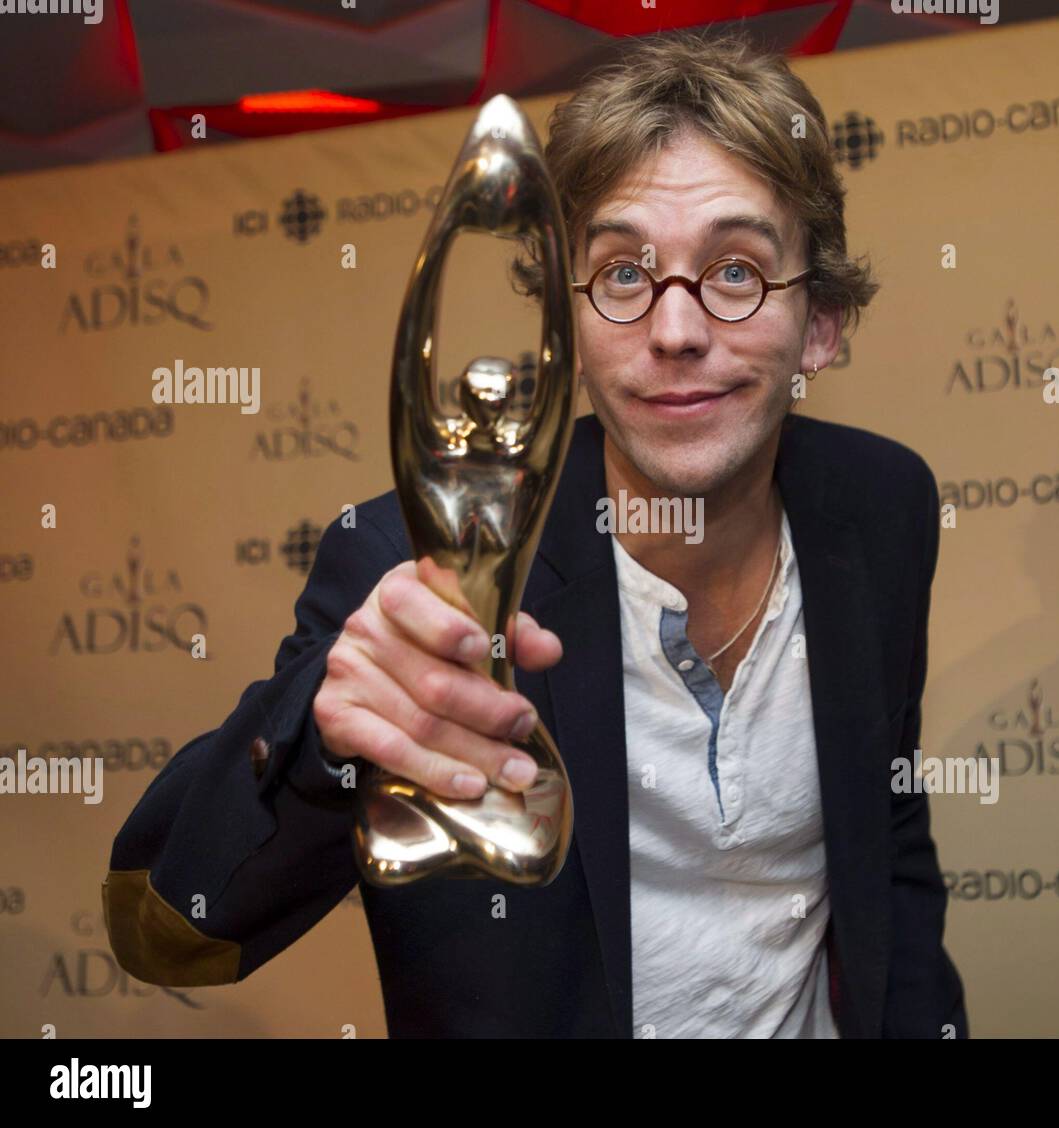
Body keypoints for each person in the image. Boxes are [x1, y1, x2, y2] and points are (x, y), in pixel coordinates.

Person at [104, 29, 967, 1039]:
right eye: (619, 274)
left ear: (818, 320)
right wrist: (324, 739)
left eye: (735, 271)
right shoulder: (419, 569)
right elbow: (169, 930)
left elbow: (888, 847)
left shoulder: (881, 506)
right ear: (564, 325)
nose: (678, 330)